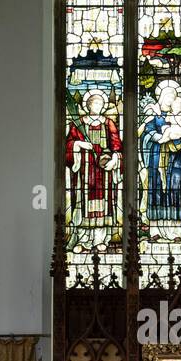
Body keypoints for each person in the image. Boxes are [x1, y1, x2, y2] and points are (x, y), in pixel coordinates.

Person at [65, 89, 122, 250]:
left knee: (104, 204)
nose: (98, 106)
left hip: (103, 170)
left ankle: (100, 239)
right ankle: (83, 240)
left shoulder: (108, 123)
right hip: (85, 168)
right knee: (83, 203)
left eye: (101, 103)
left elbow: (117, 146)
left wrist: (115, 159)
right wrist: (79, 144)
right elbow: (68, 145)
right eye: (95, 103)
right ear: (89, 105)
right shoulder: (79, 123)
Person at [139, 78, 181, 228]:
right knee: (155, 185)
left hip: (176, 157)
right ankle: (155, 227)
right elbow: (146, 132)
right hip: (156, 155)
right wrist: (159, 138)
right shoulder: (154, 115)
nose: (170, 100)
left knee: (175, 185)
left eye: (173, 97)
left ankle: (176, 227)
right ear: (161, 97)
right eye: (167, 96)